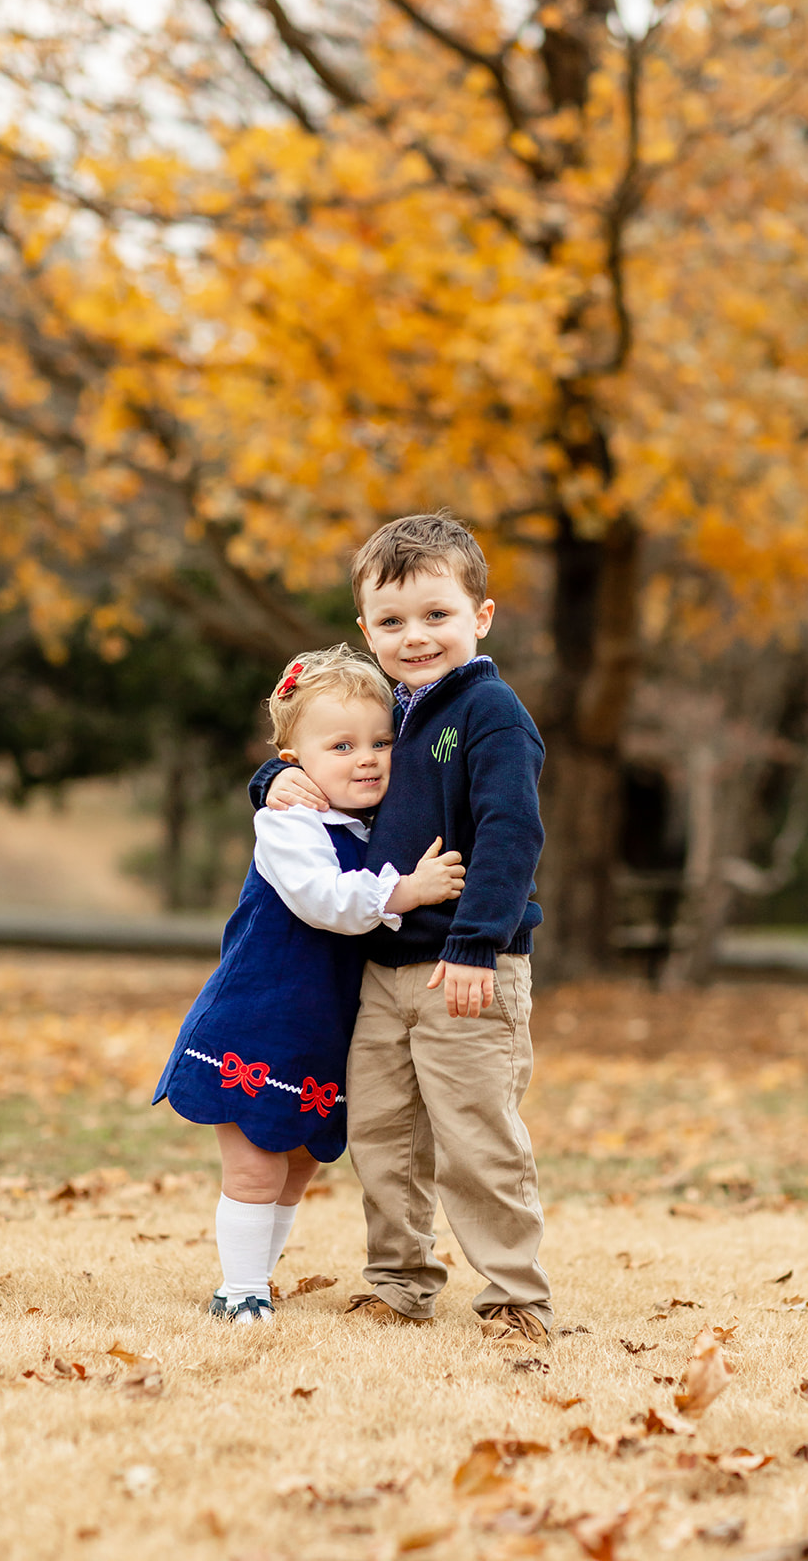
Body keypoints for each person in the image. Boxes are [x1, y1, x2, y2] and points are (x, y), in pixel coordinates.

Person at [255, 514, 553, 1346]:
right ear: (364, 630)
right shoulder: (386, 703)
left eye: (436, 616)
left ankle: (514, 1298)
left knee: (475, 1138)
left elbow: (509, 836)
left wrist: (474, 945)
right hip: (379, 969)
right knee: (382, 1137)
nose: (414, 637)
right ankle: (398, 1281)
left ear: (480, 616)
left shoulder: (491, 713)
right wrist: (269, 782)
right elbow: (309, 739)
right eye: (390, 622)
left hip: (466, 966)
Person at [152, 644, 464, 1324]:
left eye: (381, 741)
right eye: (342, 745)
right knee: (258, 1164)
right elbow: (324, 900)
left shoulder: (371, 825)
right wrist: (405, 891)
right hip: (260, 1016)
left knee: (296, 1168)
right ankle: (239, 1291)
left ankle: (257, 1277)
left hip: (321, 1029)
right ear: (296, 761)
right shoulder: (289, 822)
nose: (367, 757)